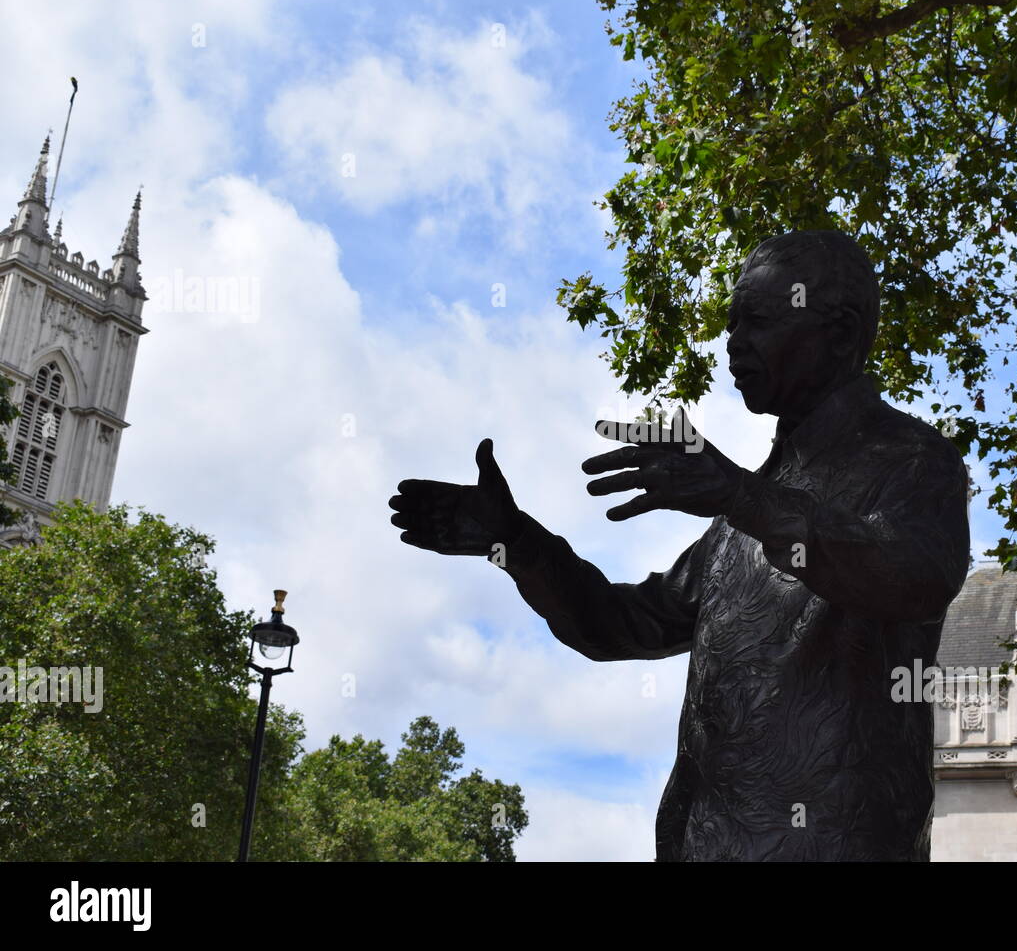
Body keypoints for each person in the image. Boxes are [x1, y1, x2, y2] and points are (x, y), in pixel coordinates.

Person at [390, 230, 970, 860]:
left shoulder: (913, 462)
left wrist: (738, 497)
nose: (734, 342)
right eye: (731, 321)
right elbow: (623, 624)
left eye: (760, 319)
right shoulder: (747, 509)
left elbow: (916, 574)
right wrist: (516, 542)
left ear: (841, 332)